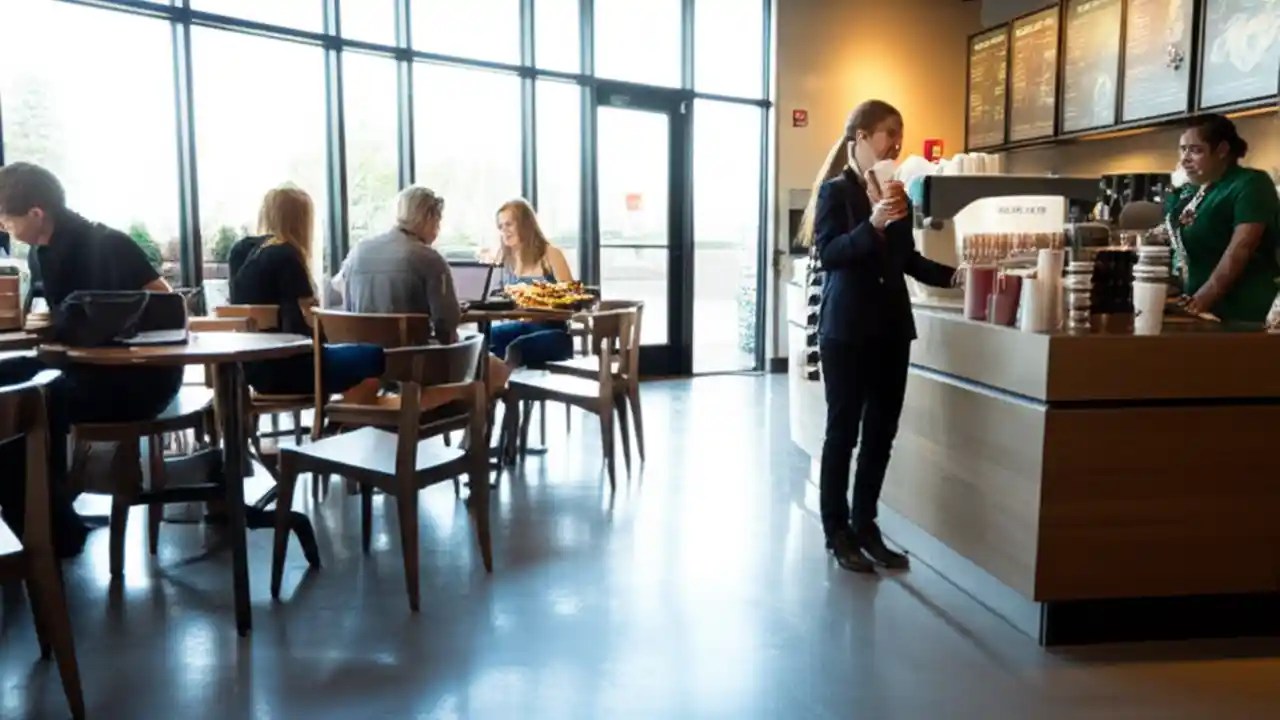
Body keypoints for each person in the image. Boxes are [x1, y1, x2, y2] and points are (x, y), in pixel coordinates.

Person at [796, 100, 960, 573]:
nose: (896, 144)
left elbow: (908, 259)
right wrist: (873, 224)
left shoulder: (897, 194)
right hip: (846, 332)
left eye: (900, 135)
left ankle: (866, 524)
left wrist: (956, 276)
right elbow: (830, 255)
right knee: (842, 434)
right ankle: (837, 533)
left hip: (891, 330)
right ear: (861, 139)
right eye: (888, 133)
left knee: (881, 436)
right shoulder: (836, 193)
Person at [0, 162, 184, 555]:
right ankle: (44, 519)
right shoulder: (39, 255)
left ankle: (49, 529)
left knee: (28, 399)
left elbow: (171, 306)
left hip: (138, 380)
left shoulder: (108, 243)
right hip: (82, 370)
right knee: (7, 381)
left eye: (6, 218)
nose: (4, 227)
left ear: (36, 213)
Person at [342, 185, 509, 396]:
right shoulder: (428, 258)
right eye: (438, 222)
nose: (437, 231)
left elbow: (343, 301)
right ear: (429, 218)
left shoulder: (358, 251)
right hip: (412, 369)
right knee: (497, 368)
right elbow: (446, 325)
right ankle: (463, 419)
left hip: (362, 366)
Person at [228, 185, 383, 397]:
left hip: (252, 370)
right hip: (291, 367)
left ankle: (341, 422)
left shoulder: (241, 252)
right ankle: (342, 425)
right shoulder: (287, 255)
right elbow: (311, 321)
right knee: (374, 356)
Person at [1166, 114, 1280, 323]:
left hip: (1240, 310)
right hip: (1194, 309)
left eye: (1195, 150)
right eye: (1183, 149)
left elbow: (1240, 249)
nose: (1185, 158)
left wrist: (1200, 302)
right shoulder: (1188, 191)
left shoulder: (1250, 184)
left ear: (1222, 150)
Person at [482, 199, 575, 367]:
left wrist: (536, 304)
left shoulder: (551, 255)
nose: (505, 231)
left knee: (516, 348)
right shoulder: (508, 261)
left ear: (525, 224)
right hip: (521, 326)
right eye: (501, 227)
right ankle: (487, 389)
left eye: (509, 225)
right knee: (485, 339)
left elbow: (571, 300)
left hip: (554, 332)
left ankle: (507, 388)